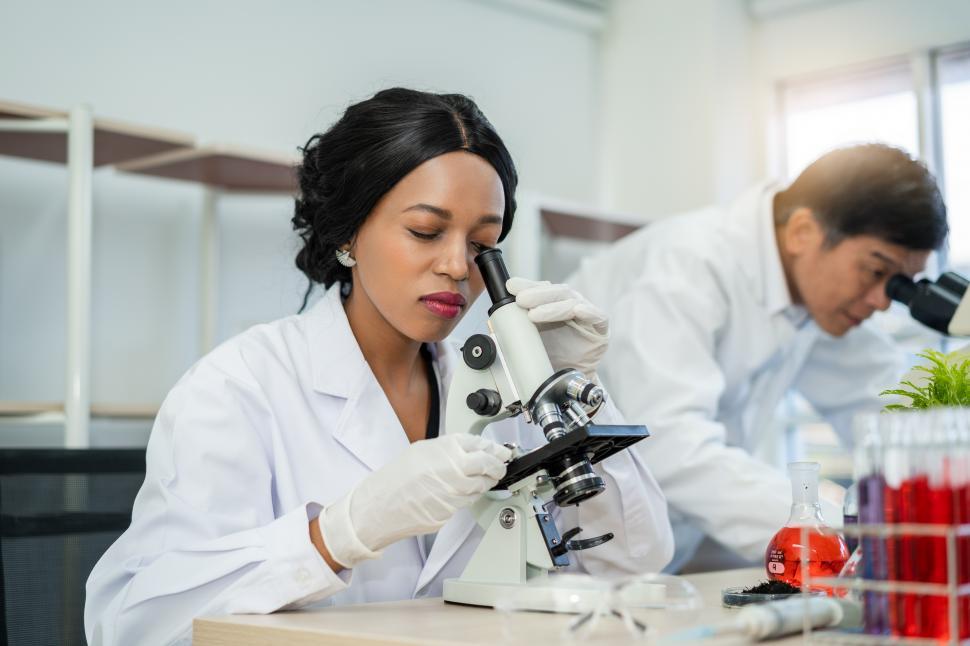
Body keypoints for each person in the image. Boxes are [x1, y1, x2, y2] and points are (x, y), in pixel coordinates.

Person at [84, 88, 674, 645]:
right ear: (349, 233)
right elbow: (137, 622)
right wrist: (338, 535)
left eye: (481, 244)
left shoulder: (505, 381)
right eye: (425, 231)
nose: (454, 266)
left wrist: (575, 388)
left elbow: (636, 558)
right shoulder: (239, 388)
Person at [566, 144, 948, 571]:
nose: (882, 302)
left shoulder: (819, 297)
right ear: (803, 230)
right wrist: (837, 531)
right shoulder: (688, 265)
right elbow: (669, 445)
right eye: (877, 272)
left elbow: (890, 408)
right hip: (562, 552)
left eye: (899, 285)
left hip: (655, 552)